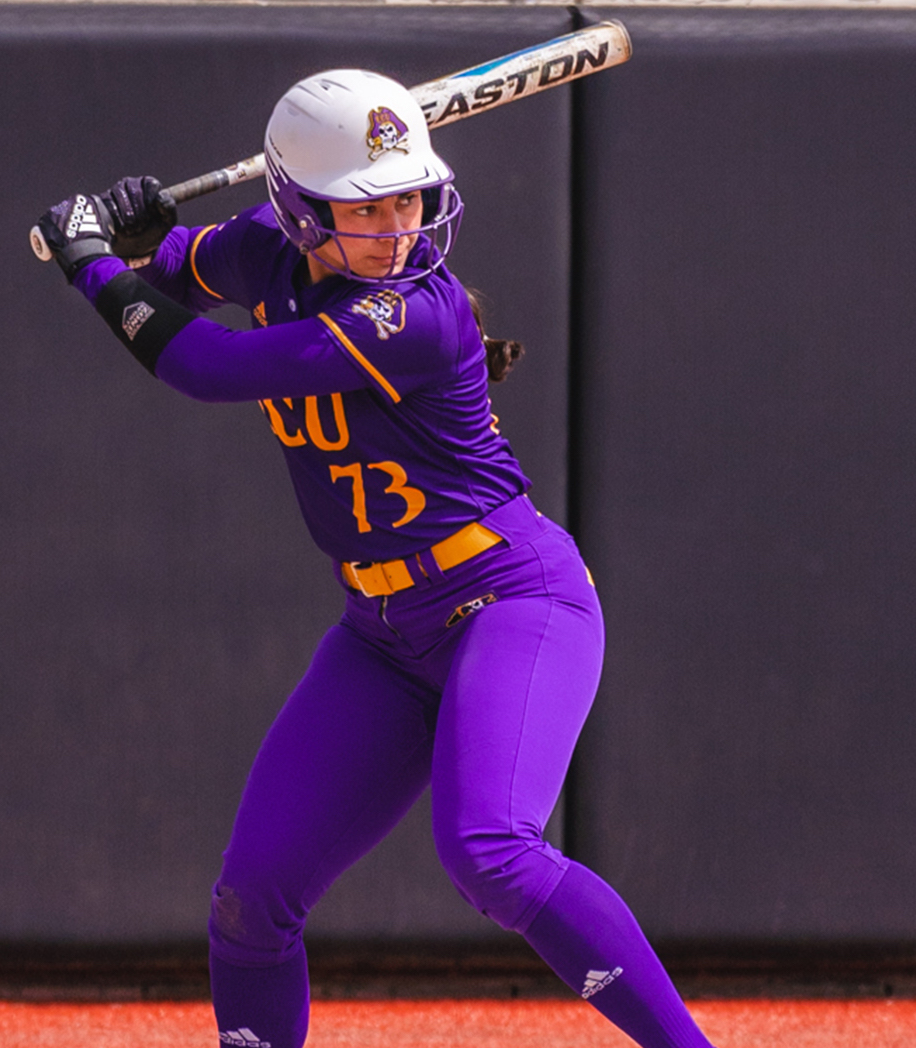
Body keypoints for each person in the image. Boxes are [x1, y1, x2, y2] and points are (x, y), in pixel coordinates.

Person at [36, 68, 716, 1048]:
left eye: (408, 198)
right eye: (365, 206)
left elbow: (207, 364)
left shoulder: (417, 314)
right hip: (383, 635)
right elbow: (180, 271)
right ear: (299, 213)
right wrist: (133, 237)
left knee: (491, 852)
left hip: (509, 599)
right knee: (251, 897)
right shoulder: (262, 250)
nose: (397, 227)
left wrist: (93, 265)